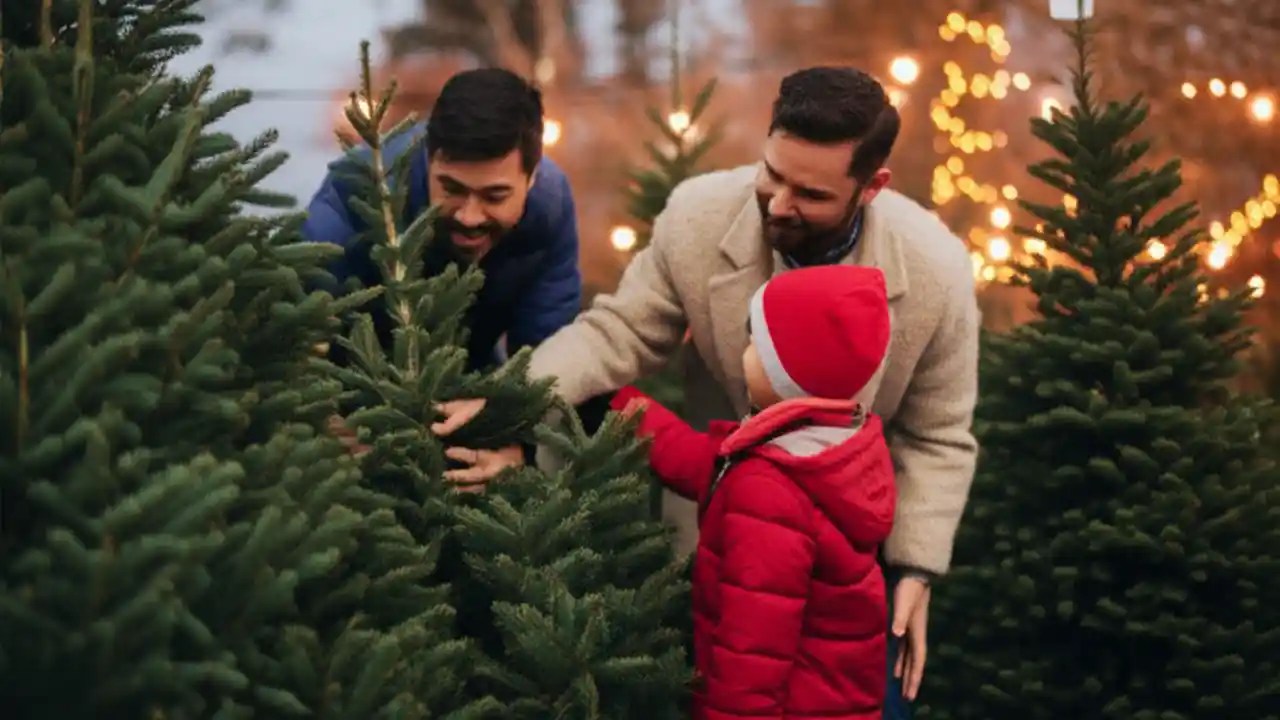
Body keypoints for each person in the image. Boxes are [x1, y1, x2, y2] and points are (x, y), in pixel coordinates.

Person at [432, 66, 980, 716]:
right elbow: (618, 334)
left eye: (809, 193)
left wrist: (915, 570)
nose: (778, 202)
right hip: (723, 533)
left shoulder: (936, 271)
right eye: (772, 172)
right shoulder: (697, 218)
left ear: (872, 187)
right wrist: (513, 399)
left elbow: (938, 433)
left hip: (853, 562)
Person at [610, 264, 896, 720]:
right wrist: (628, 409)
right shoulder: (827, 446)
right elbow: (706, 462)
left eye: (755, 345)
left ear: (789, 371)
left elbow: (751, 657)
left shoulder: (770, 493)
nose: (743, 353)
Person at [305, 67, 585, 477]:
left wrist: (520, 448)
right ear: (428, 156)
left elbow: (547, 356)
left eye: (495, 196)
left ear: (532, 177)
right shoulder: (355, 195)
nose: (470, 217)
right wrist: (321, 419)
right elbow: (295, 319)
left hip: (470, 394)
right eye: (451, 189)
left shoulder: (550, 211)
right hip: (353, 405)